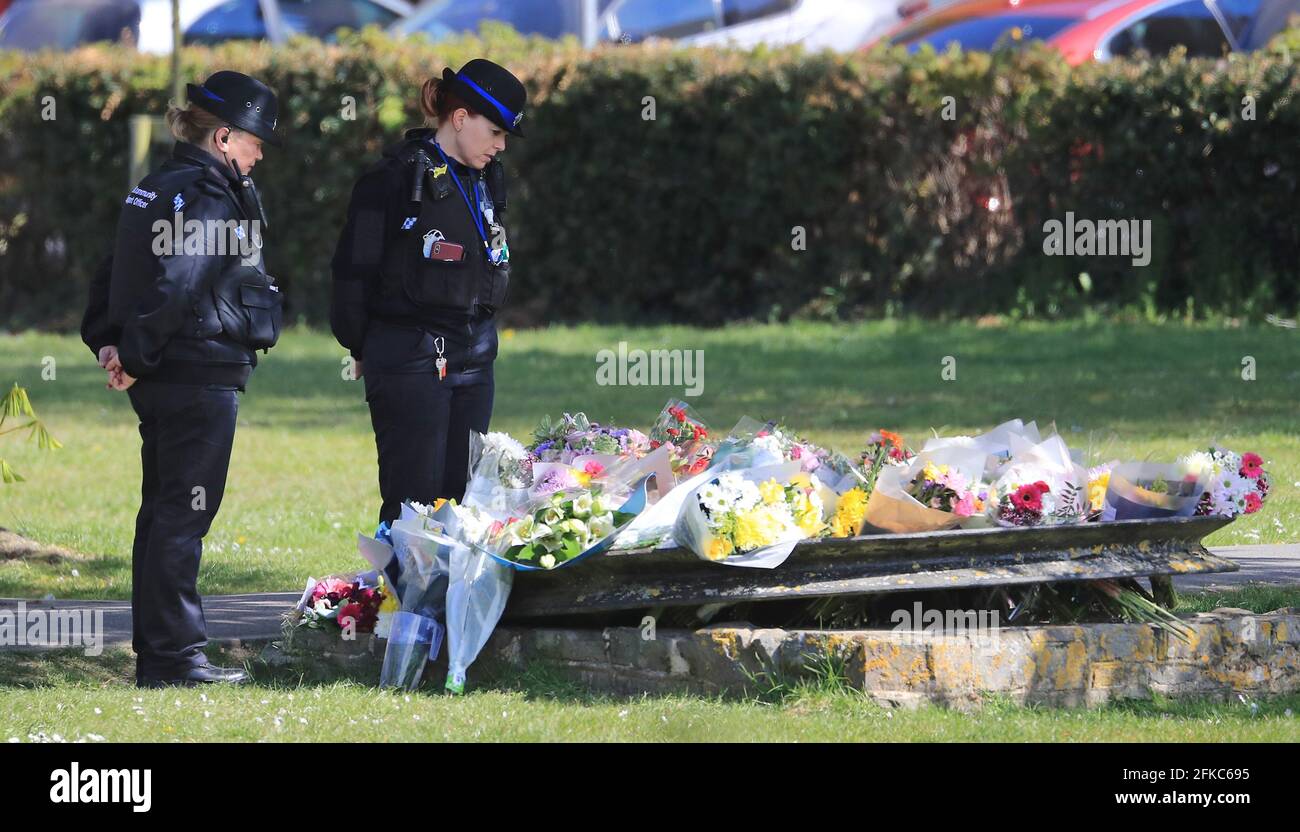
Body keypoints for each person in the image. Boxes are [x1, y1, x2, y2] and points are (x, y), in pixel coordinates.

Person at [80, 70, 283, 688]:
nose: (259, 155)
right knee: (182, 518)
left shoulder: (156, 186)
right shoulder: (209, 196)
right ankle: (176, 660)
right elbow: (179, 283)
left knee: (163, 515)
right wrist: (133, 354)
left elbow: (113, 269)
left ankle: (161, 654)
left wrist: (109, 342)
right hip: (196, 372)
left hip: (167, 372)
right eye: (255, 142)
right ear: (224, 136)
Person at [331, 59, 526, 524]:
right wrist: (360, 344)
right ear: (460, 118)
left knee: (462, 501)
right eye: (495, 131)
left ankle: (451, 599)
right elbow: (353, 271)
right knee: (413, 502)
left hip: (475, 358)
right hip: (410, 356)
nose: (500, 146)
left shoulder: (483, 179)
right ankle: (403, 598)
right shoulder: (394, 179)